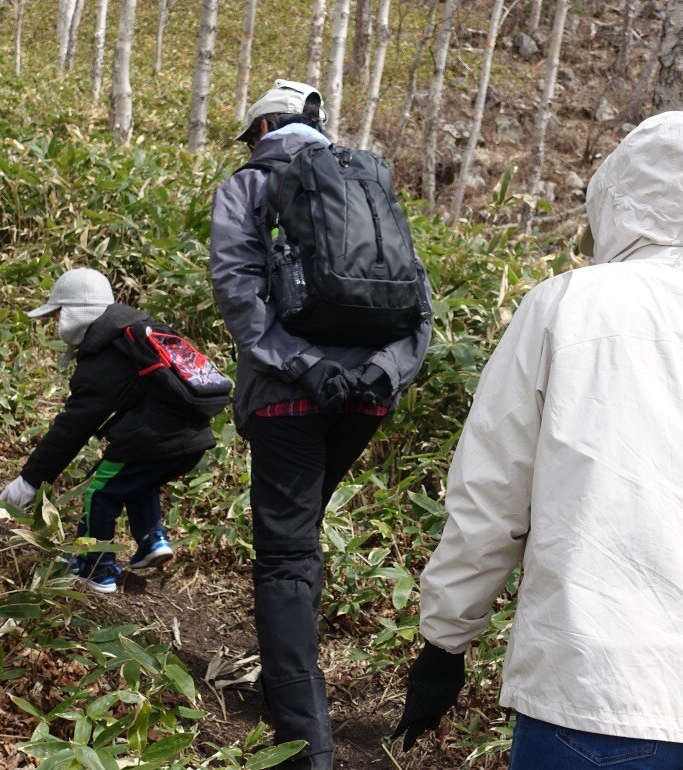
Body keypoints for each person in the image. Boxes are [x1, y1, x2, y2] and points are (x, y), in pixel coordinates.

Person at [392, 111, 683, 769]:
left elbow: (491, 496)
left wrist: (445, 643)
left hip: (596, 687)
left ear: (616, 198)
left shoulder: (565, 305)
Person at [210, 80, 432, 770]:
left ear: (266, 127)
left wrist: (301, 364)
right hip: (365, 396)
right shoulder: (366, 183)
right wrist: (385, 373)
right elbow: (418, 303)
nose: (250, 149)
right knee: (299, 533)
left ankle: (306, 741)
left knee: (284, 552)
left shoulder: (248, 187)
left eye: (252, 136)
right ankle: (290, 676)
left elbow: (237, 291)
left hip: (289, 395)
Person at [0, 268, 216, 593]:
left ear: (74, 313)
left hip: (152, 438)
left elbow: (72, 428)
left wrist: (29, 481)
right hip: (192, 436)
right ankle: (151, 540)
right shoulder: (137, 331)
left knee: (98, 492)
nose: (54, 323)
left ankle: (96, 570)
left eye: (57, 314)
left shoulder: (106, 357)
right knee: (134, 480)